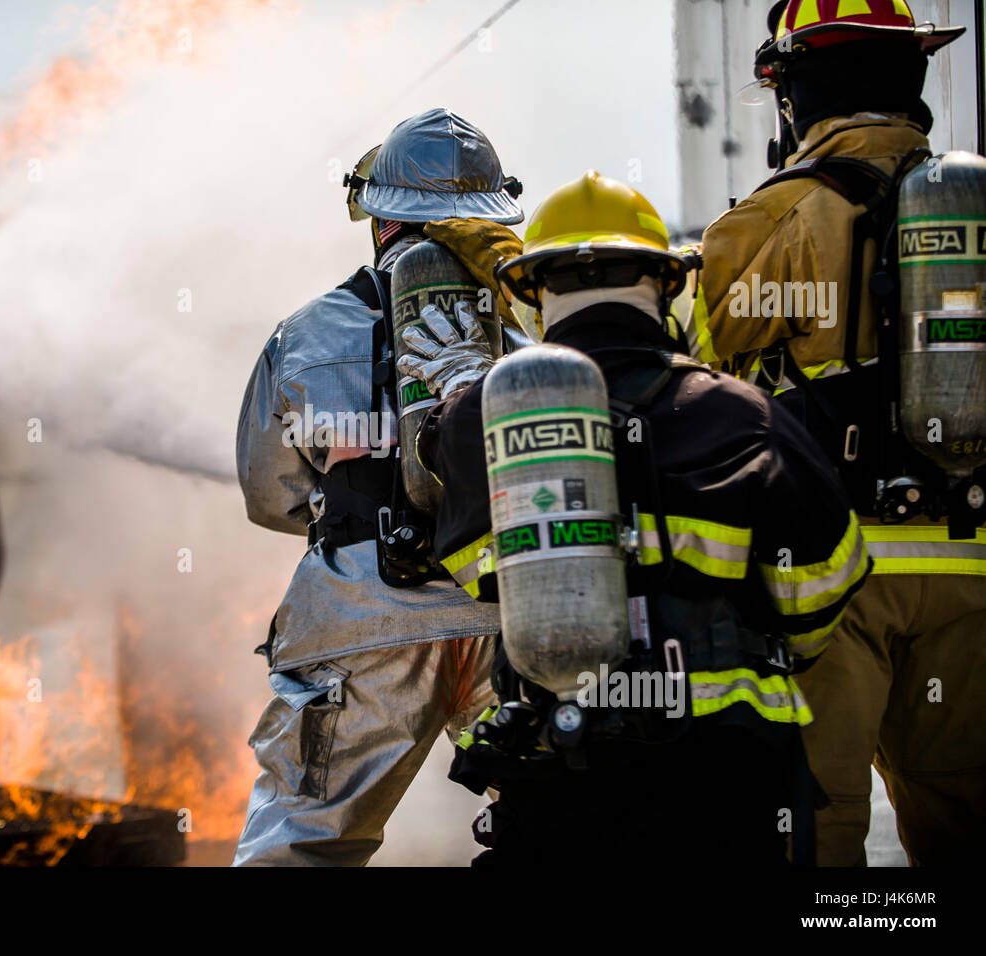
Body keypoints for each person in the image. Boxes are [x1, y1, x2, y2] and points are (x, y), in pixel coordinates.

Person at [399, 171, 869, 865]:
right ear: (667, 286)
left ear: (533, 292)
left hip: (560, 767)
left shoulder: (475, 423)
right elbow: (826, 584)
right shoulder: (742, 415)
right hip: (721, 776)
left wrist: (468, 393)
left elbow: (475, 572)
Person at [691, 0, 985, 864]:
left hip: (834, 574)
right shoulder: (972, 209)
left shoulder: (772, 221)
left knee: (813, 826)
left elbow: (672, 362)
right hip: (971, 565)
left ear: (796, 92)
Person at [232, 108, 525, 866]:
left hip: (364, 614)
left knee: (306, 837)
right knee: (557, 823)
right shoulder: (532, 327)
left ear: (380, 216)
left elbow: (272, 495)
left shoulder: (307, 331)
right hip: (515, 614)